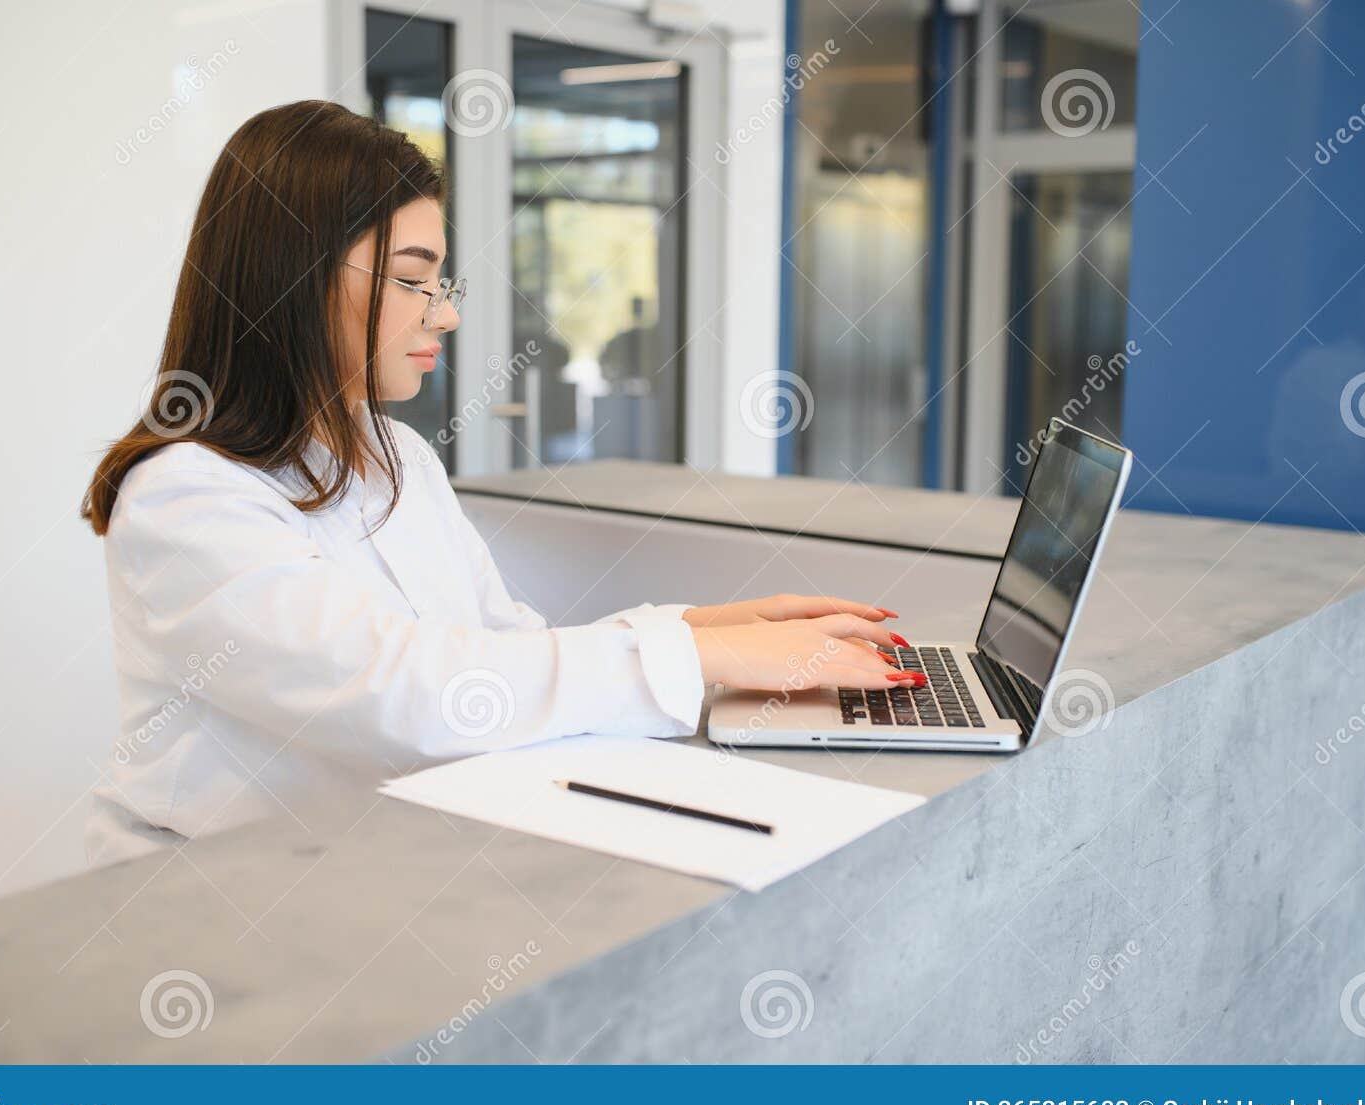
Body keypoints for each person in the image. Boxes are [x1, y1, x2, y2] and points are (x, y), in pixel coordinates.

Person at [78, 101, 925, 866]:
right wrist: (699, 655)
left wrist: (708, 627)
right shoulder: (184, 497)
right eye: (413, 280)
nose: (442, 312)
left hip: (360, 870)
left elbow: (501, 649)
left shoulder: (396, 455)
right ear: (294, 281)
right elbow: (409, 695)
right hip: (203, 904)